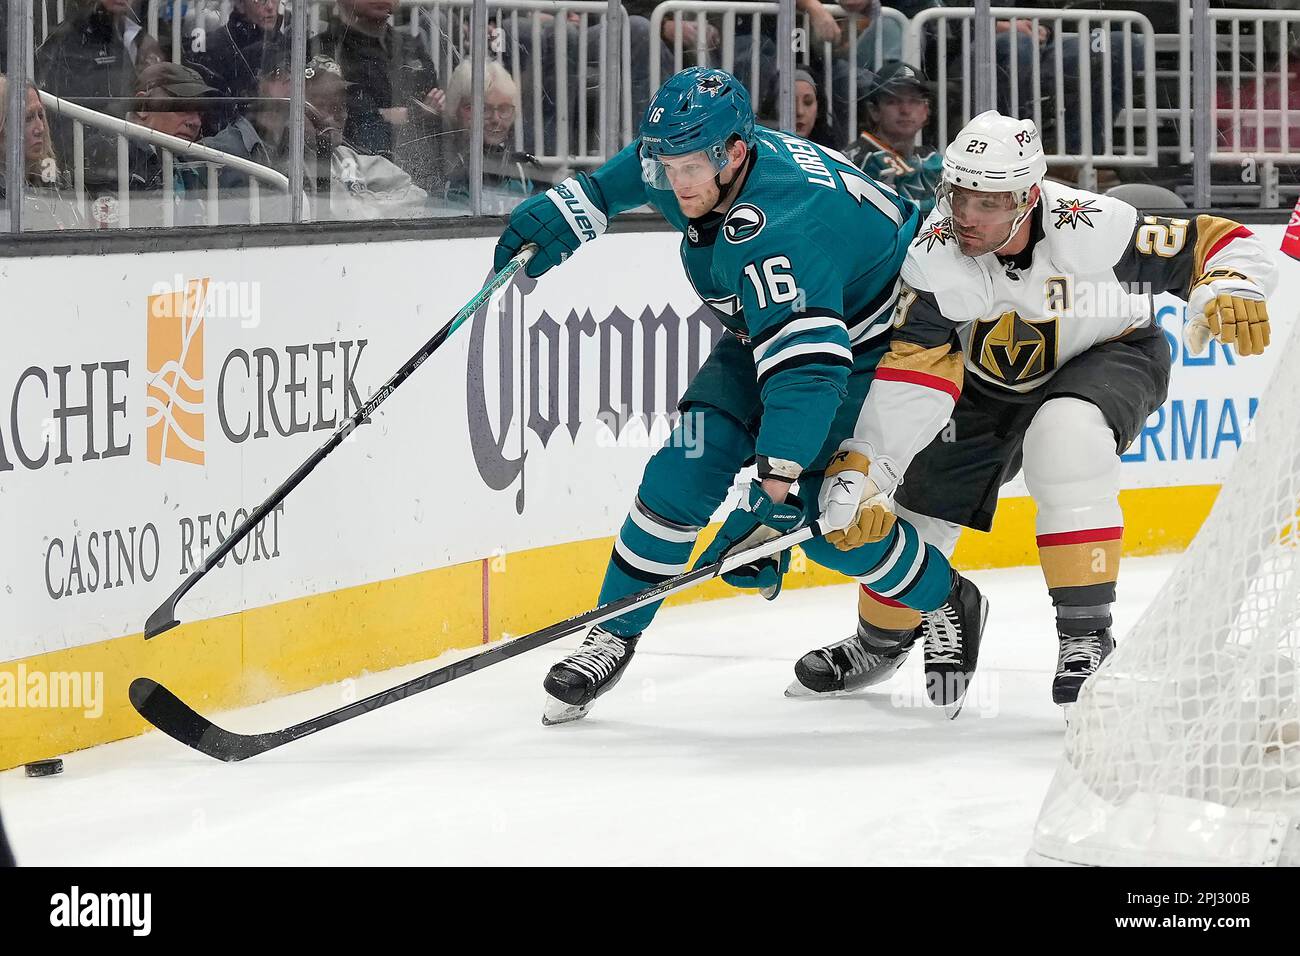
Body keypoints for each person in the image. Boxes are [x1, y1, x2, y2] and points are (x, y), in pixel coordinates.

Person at [494, 68, 989, 725]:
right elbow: (634, 172)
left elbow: (808, 375)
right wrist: (578, 203)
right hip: (767, 326)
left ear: (734, 152)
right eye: (667, 163)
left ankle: (943, 594)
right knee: (683, 469)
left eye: (694, 165)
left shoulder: (782, 225)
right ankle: (613, 631)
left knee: (825, 521)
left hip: (868, 342)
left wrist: (776, 489)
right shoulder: (687, 159)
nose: (679, 183)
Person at [791, 111, 1277, 708]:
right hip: (984, 379)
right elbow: (911, 372)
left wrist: (1232, 282)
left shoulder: (1089, 223)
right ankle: (882, 640)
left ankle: (1085, 639)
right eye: (960, 193)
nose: (968, 216)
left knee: (1065, 439)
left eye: (990, 201)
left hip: (1107, 352)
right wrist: (874, 465)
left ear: (1029, 195)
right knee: (917, 511)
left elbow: (1213, 240)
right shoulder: (934, 254)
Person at [34, 0, 164, 188]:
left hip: (129, 157)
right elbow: (60, 115)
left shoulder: (140, 39)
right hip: (88, 162)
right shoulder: (68, 39)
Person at [310, 0, 443, 174]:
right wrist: (411, 115)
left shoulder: (412, 49)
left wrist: (395, 115)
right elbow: (349, 123)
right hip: (350, 178)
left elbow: (433, 119)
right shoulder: (321, 50)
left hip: (416, 177)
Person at [435, 60, 535, 213]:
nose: (496, 118)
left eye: (504, 109)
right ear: (456, 109)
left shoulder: (520, 174)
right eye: (482, 109)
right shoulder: (440, 169)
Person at [845, 62, 942, 216]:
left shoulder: (934, 159)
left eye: (914, 101)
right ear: (874, 110)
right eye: (894, 101)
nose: (905, 110)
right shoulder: (856, 161)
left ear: (926, 111)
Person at [0, 75, 84, 229]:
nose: (40, 128)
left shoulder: (50, 177)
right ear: (2, 128)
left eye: (40, 115)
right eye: (28, 118)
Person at [793, 69, 834, 147]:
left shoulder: (831, 154)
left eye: (808, 102)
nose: (799, 111)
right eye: (791, 103)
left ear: (818, 108)